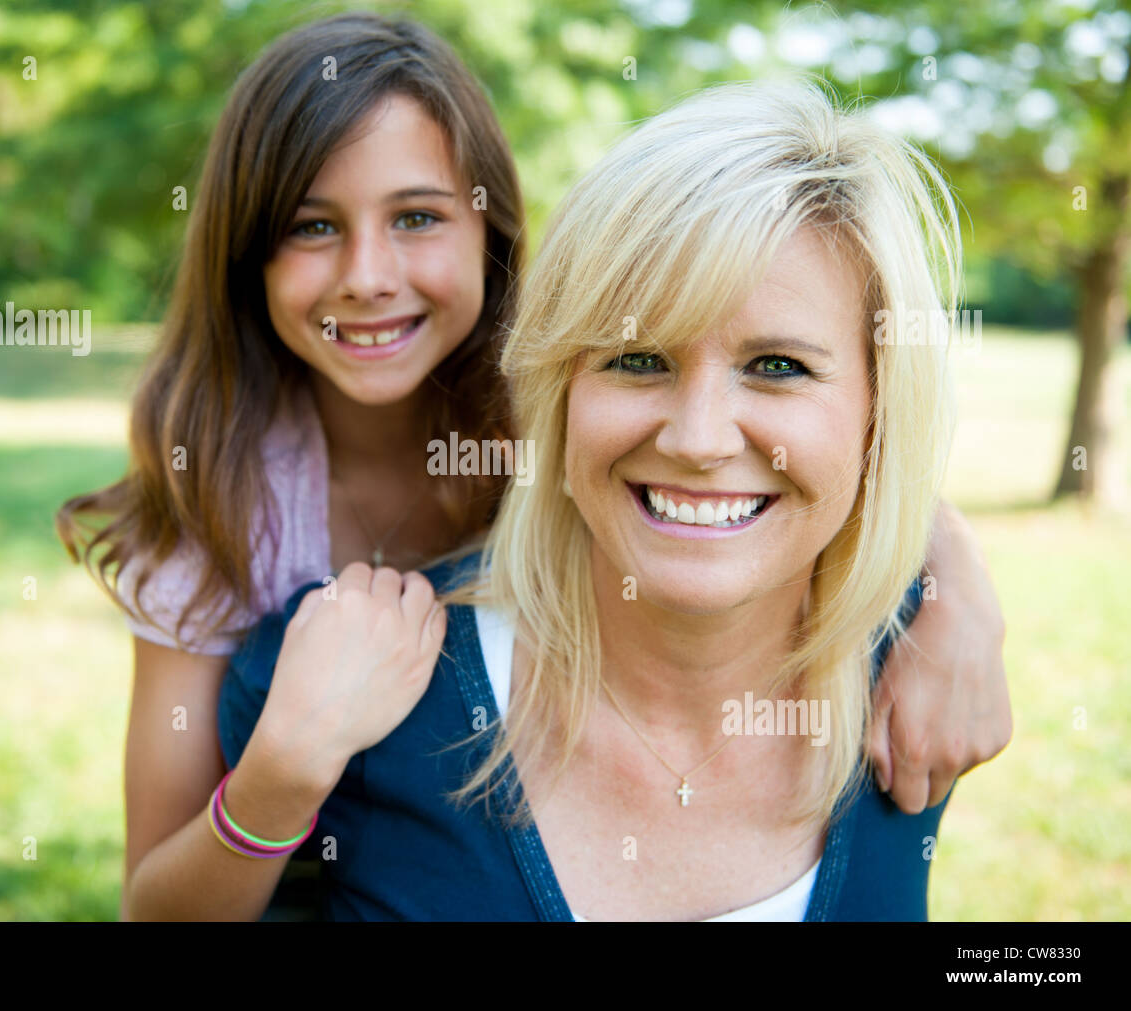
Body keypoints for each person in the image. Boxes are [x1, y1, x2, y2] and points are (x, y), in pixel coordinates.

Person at [53, 12, 1006, 921]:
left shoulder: (543, 397)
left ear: (492, 234)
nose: (369, 275)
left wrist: (959, 599)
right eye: (311, 226)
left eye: (417, 217)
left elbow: (820, 463)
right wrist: (284, 768)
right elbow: (156, 898)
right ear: (246, 261)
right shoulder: (214, 508)